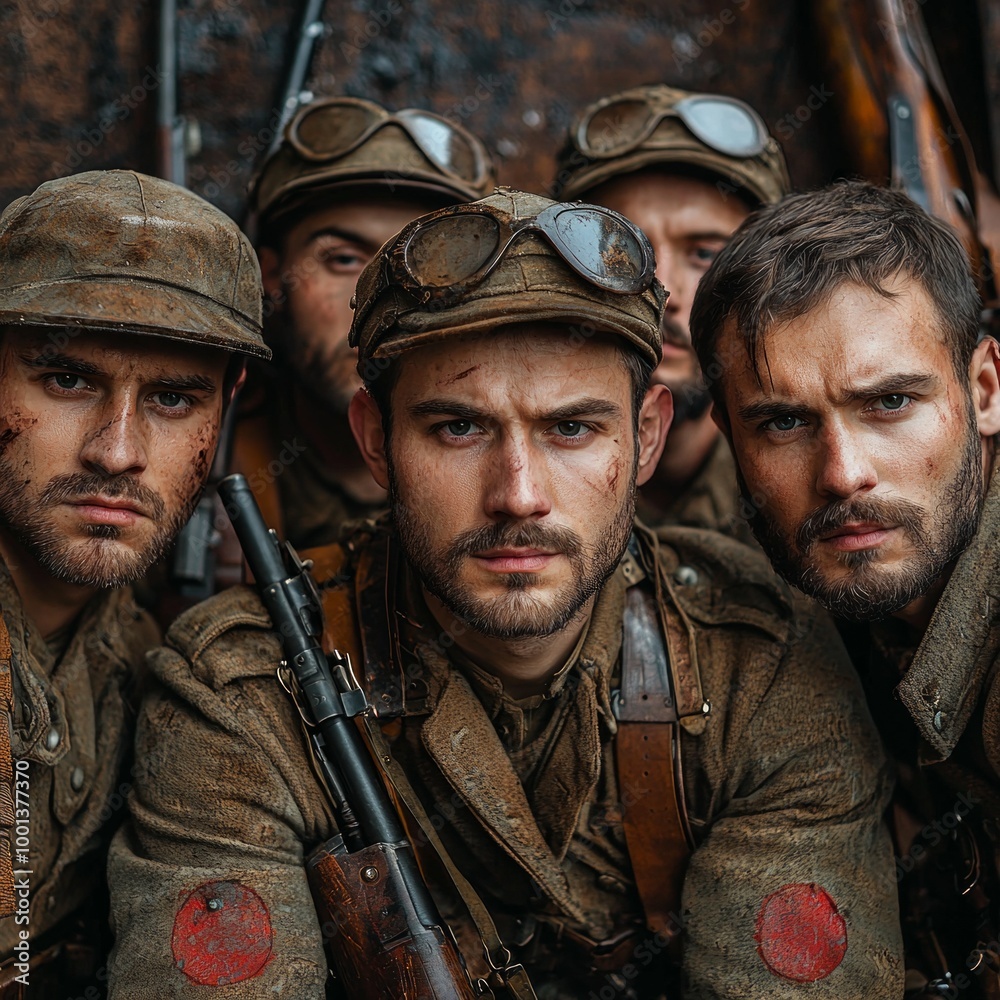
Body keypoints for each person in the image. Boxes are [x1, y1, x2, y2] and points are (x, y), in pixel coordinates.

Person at [107, 189, 901, 999]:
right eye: (459, 428)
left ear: (648, 437)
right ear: (376, 440)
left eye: (571, 429)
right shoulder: (245, 690)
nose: (518, 495)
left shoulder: (758, 664)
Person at [688, 180, 1000, 998]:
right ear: (729, 435)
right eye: (784, 423)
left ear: (987, 390)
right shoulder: (809, 618)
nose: (843, 474)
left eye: (890, 402)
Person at [0, 169, 268, 996]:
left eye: (174, 398)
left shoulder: (151, 659)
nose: (116, 451)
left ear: (228, 409)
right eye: (68, 380)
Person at [231, 95, 497, 549]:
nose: (374, 300)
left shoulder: (523, 482)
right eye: (343, 259)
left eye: (426, 262)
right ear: (273, 274)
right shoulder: (206, 461)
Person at [553, 85, 790, 541]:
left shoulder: (811, 492)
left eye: (704, 254)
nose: (662, 291)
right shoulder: (510, 492)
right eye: (617, 249)